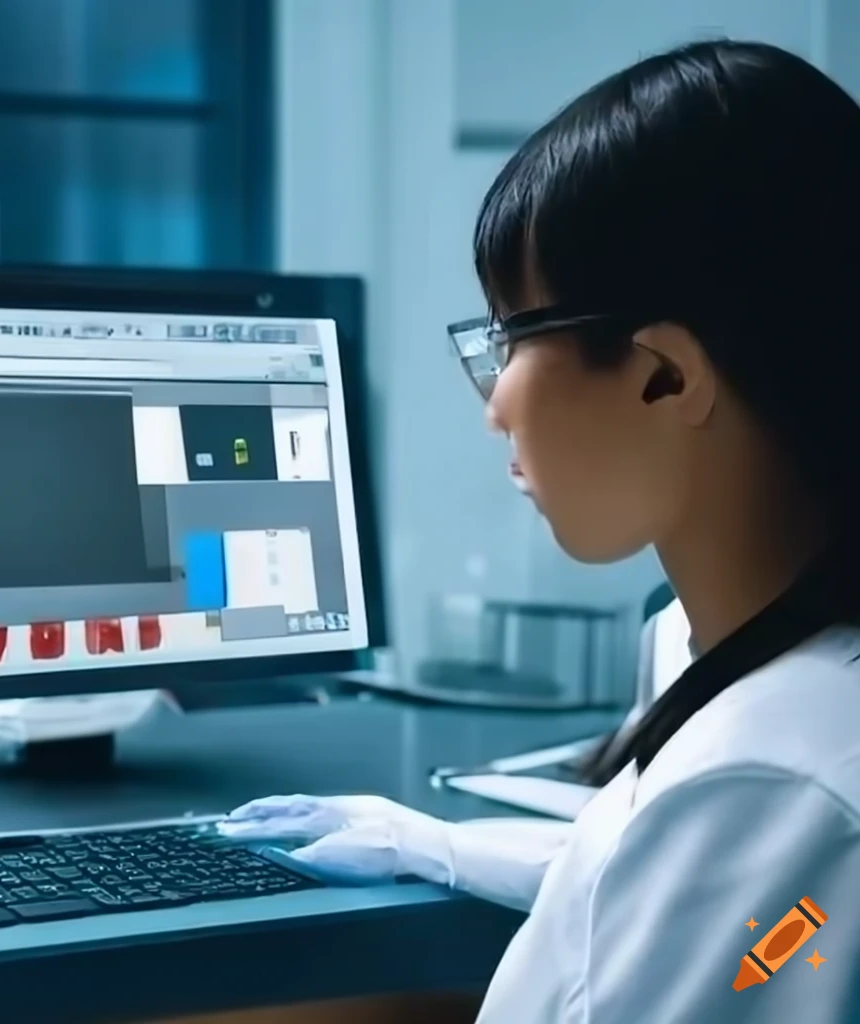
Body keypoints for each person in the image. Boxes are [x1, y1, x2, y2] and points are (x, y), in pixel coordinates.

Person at [223, 40, 860, 1022]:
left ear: (666, 377)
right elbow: (666, 898)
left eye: (511, 337)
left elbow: (738, 920)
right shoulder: (750, 674)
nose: (495, 408)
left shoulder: (772, 782)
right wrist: (428, 842)